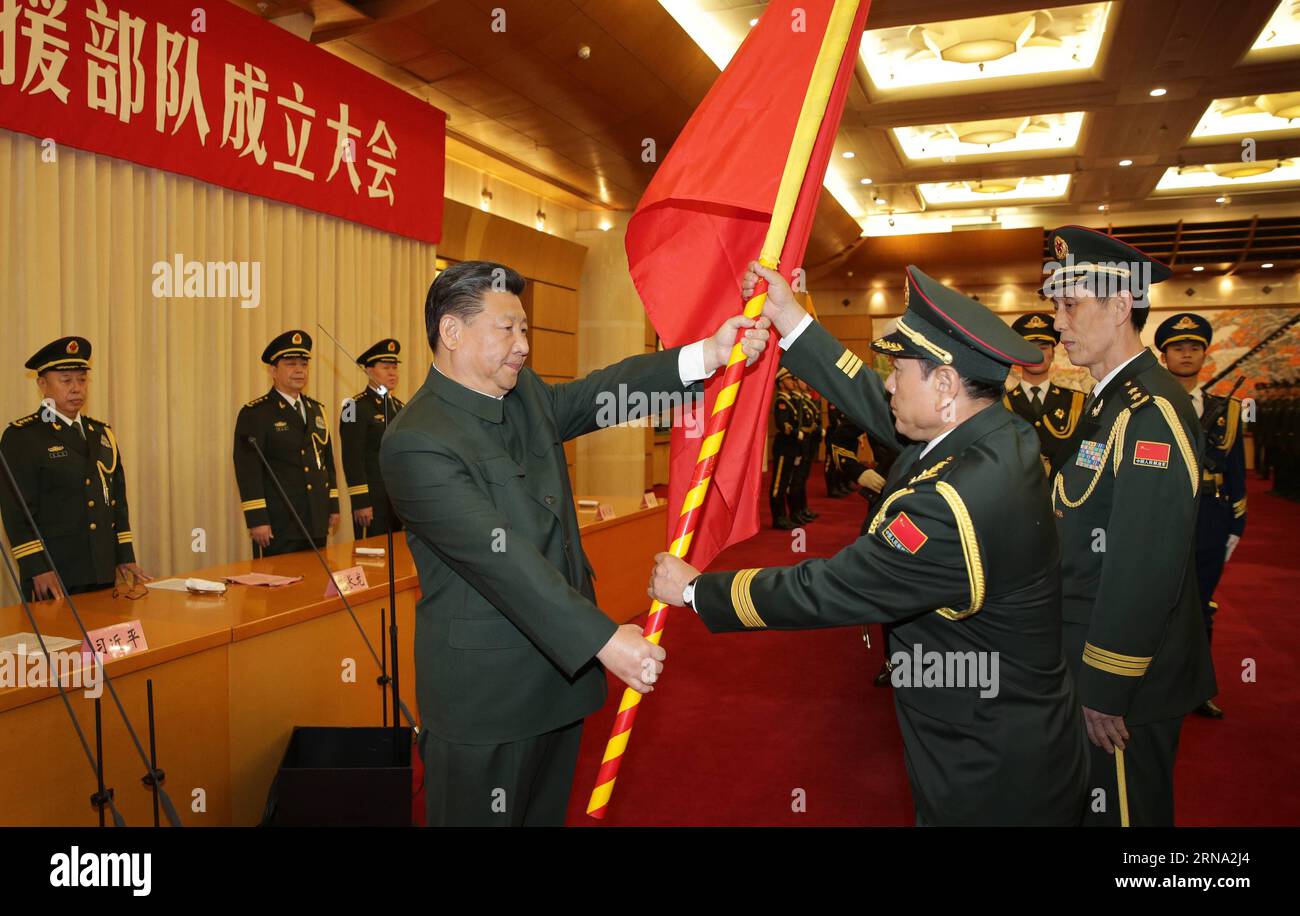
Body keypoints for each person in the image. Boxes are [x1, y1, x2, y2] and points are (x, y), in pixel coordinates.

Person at [650, 262, 1087, 826]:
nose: (886, 381)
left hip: (989, 767)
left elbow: (831, 588)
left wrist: (696, 591)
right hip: (1018, 732)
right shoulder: (997, 433)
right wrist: (790, 319)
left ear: (946, 385)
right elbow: (872, 401)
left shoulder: (952, 504)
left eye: (898, 370)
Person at [379, 260, 771, 827]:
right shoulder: (417, 441)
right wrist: (604, 639)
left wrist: (704, 355)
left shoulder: (522, 395)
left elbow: (598, 394)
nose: (523, 345)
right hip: (486, 702)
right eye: (507, 328)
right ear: (451, 332)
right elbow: (503, 563)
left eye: (525, 329)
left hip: (556, 681)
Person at [1044, 225, 1215, 826]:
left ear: (1120, 306)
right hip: (1094, 658)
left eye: (1069, 304)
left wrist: (1108, 685)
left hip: (1125, 681)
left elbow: (1145, 563)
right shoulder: (1111, 399)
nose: (1057, 322)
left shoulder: (1150, 413)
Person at [0, 337, 149, 601]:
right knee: (62, 642)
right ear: (42, 384)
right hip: (55, 572)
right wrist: (37, 567)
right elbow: (16, 510)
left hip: (101, 569)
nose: (76, 388)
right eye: (66, 380)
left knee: (104, 638)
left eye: (81, 380)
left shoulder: (101, 433)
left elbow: (117, 502)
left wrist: (124, 555)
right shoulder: (23, 436)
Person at [1155, 312, 1246, 720]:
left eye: (1194, 348)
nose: (1186, 354)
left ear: (1205, 355)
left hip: (1209, 516)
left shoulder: (1227, 411)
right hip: (1161, 515)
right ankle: (1156, 683)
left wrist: (1235, 525)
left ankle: (1196, 688)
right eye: (1178, 348)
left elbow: (1237, 472)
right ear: (1164, 357)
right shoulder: (1153, 407)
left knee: (1202, 604)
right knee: (1158, 603)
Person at [233, 330, 339, 557]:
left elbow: (326, 462)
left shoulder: (317, 410)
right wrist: (257, 519)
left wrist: (332, 505)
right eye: (291, 364)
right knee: (278, 588)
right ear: (272, 370)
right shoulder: (256, 413)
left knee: (317, 585)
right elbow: (248, 470)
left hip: (315, 518)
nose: (300, 370)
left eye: (303, 364)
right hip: (279, 521)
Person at [340, 338, 406, 540]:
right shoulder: (352, 406)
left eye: (394, 367)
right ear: (369, 371)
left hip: (397, 499)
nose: (392, 373)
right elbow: (352, 458)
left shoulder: (400, 406)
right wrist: (360, 501)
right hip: (372, 500)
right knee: (373, 558)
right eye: (386, 367)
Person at [1004, 312, 1086, 474]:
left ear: (1053, 353)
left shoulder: (1077, 401)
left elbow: (1086, 451)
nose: (1037, 354)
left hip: (1064, 493)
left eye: (1043, 347)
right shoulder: (1001, 405)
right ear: (1019, 355)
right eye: (1029, 349)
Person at [770, 368, 800, 530]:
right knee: (778, 483)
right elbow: (784, 426)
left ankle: (784, 515)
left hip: (790, 447)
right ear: (781, 383)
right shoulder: (781, 402)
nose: (792, 382)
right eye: (788, 380)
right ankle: (778, 516)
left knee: (786, 482)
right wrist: (797, 433)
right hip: (783, 447)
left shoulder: (790, 401)